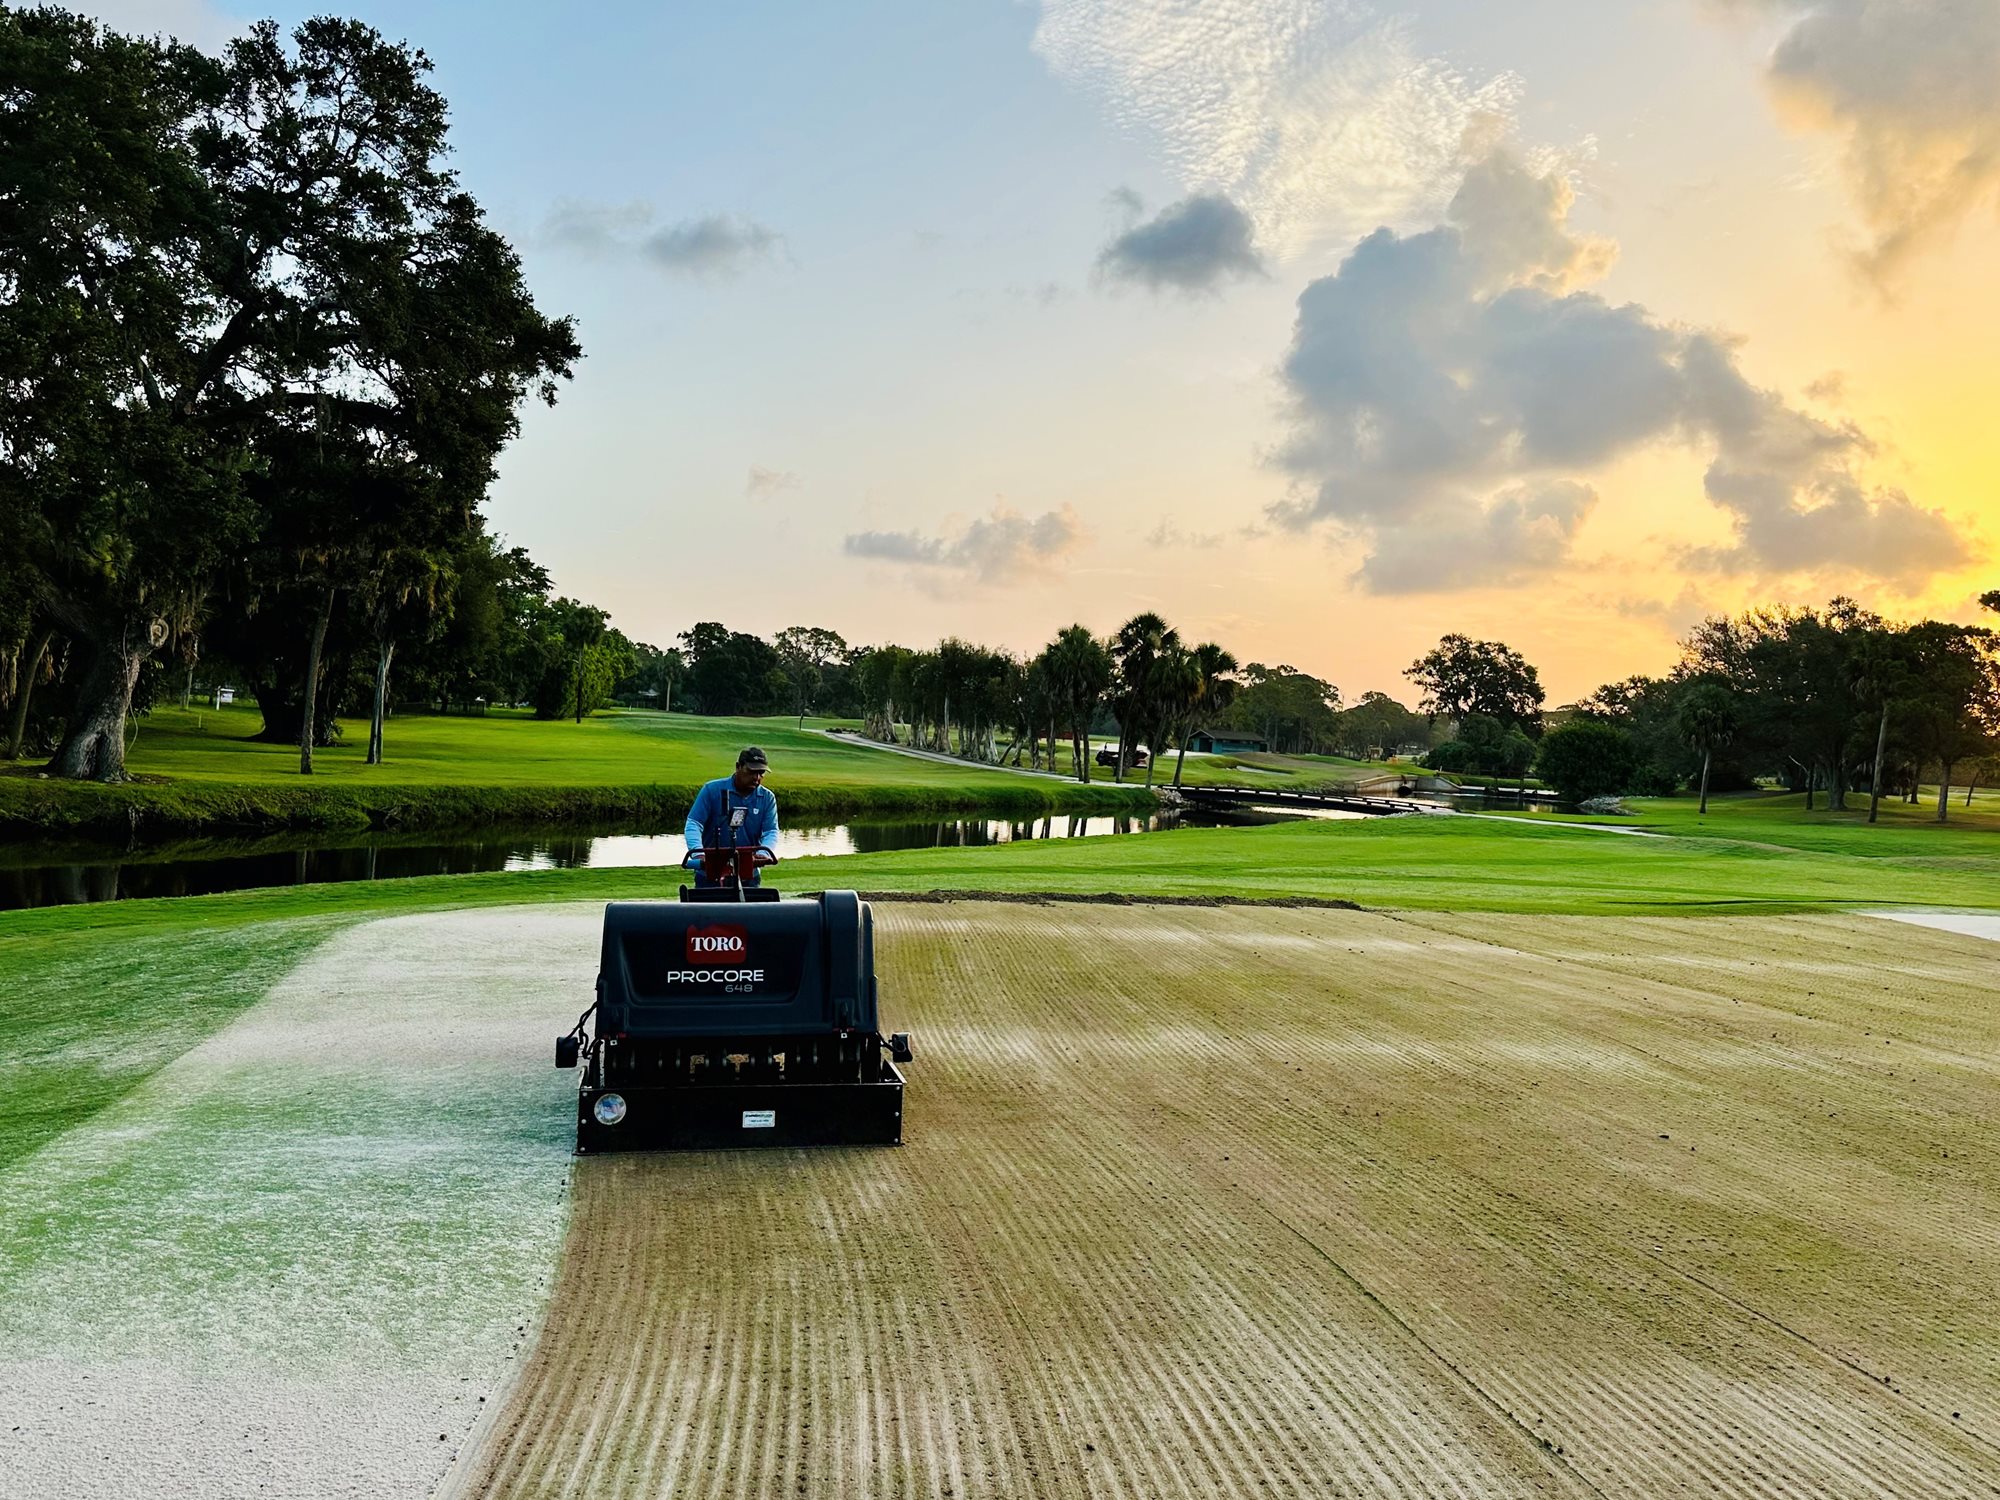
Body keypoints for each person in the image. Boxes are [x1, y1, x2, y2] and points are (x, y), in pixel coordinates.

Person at [684, 746, 780, 885]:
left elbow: (771, 831)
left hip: (749, 873)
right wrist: (698, 854)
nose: (757, 778)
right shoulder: (711, 790)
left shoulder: (767, 797)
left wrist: (764, 854)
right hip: (710, 873)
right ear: (738, 767)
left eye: (761, 773)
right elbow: (694, 824)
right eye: (752, 771)